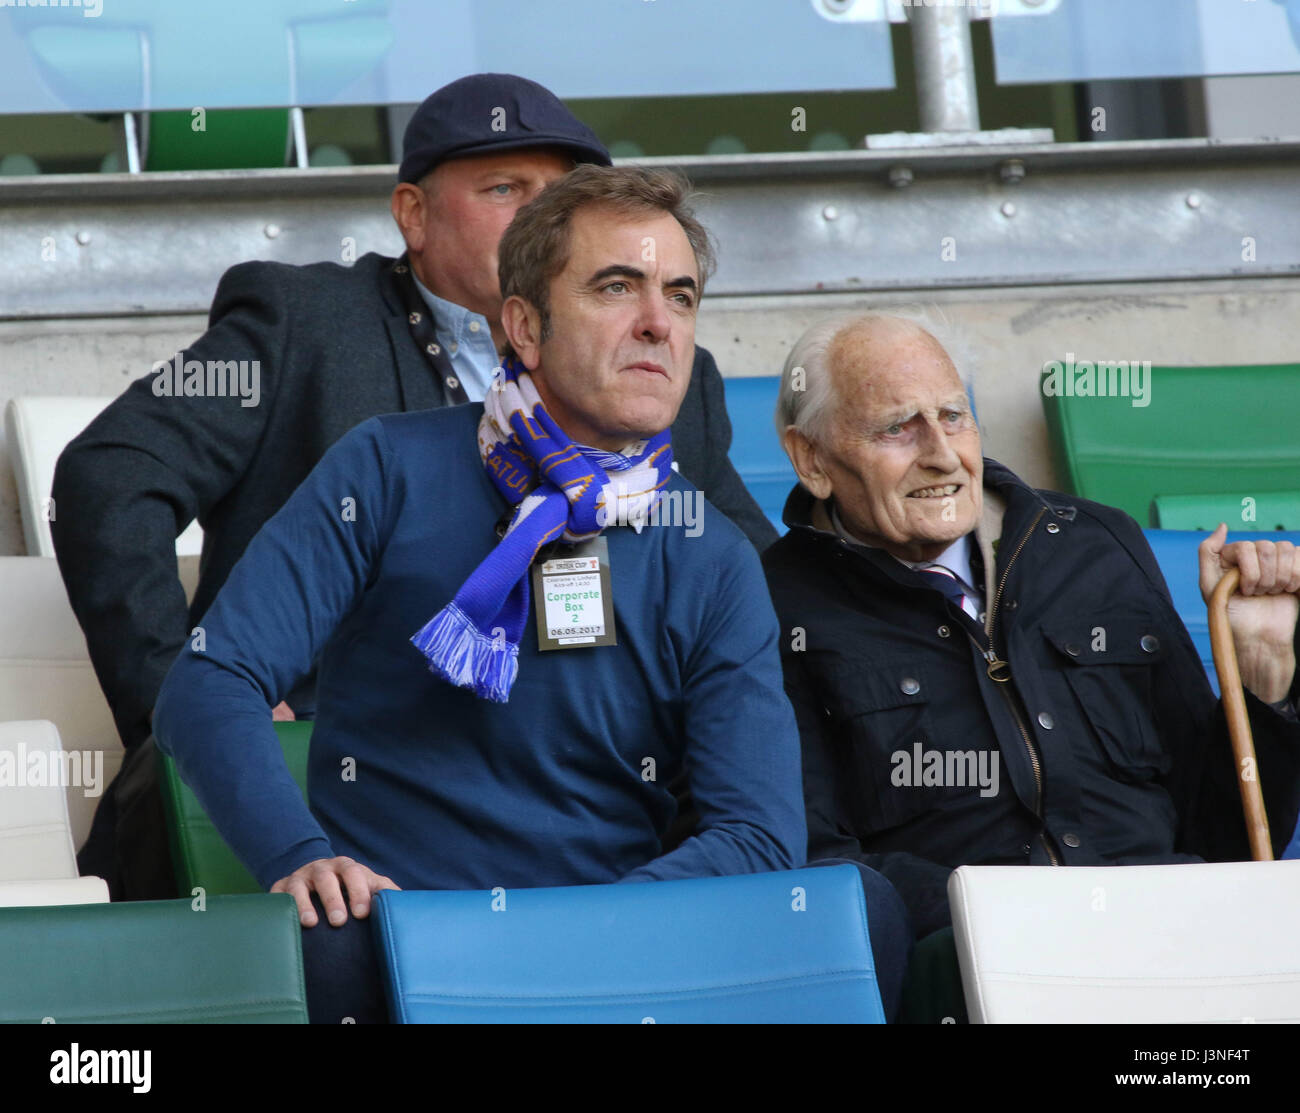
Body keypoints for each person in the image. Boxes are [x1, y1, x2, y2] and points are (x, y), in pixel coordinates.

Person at [151, 166, 909, 1022]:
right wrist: (298, 855)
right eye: (616, 287)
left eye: (681, 295)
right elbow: (210, 679)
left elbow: (757, 833)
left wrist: (577, 937)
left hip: (619, 941)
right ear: (524, 326)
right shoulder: (385, 468)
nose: (658, 322)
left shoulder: (713, 552)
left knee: (862, 912)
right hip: (412, 933)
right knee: (321, 944)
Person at [51, 73, 775, 899]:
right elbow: (108, 476)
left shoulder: (663, 375)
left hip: (594, 820)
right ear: (413, 215)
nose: (539, 213)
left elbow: (750, 583)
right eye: (505, 189)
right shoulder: (307, 327)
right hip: (333, 795)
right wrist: (184, 689)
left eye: (563, 193)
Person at [762, 312, 1300, 1015]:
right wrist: (1004, 913)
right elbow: (820, 864)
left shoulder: (1096, 543)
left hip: (1179, 937)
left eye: (953, 416)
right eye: (897, 428)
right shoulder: (773, 605)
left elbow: (1229, 836)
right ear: (811, 459)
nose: (942, 455)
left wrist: (1261, 674)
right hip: (982, 965)